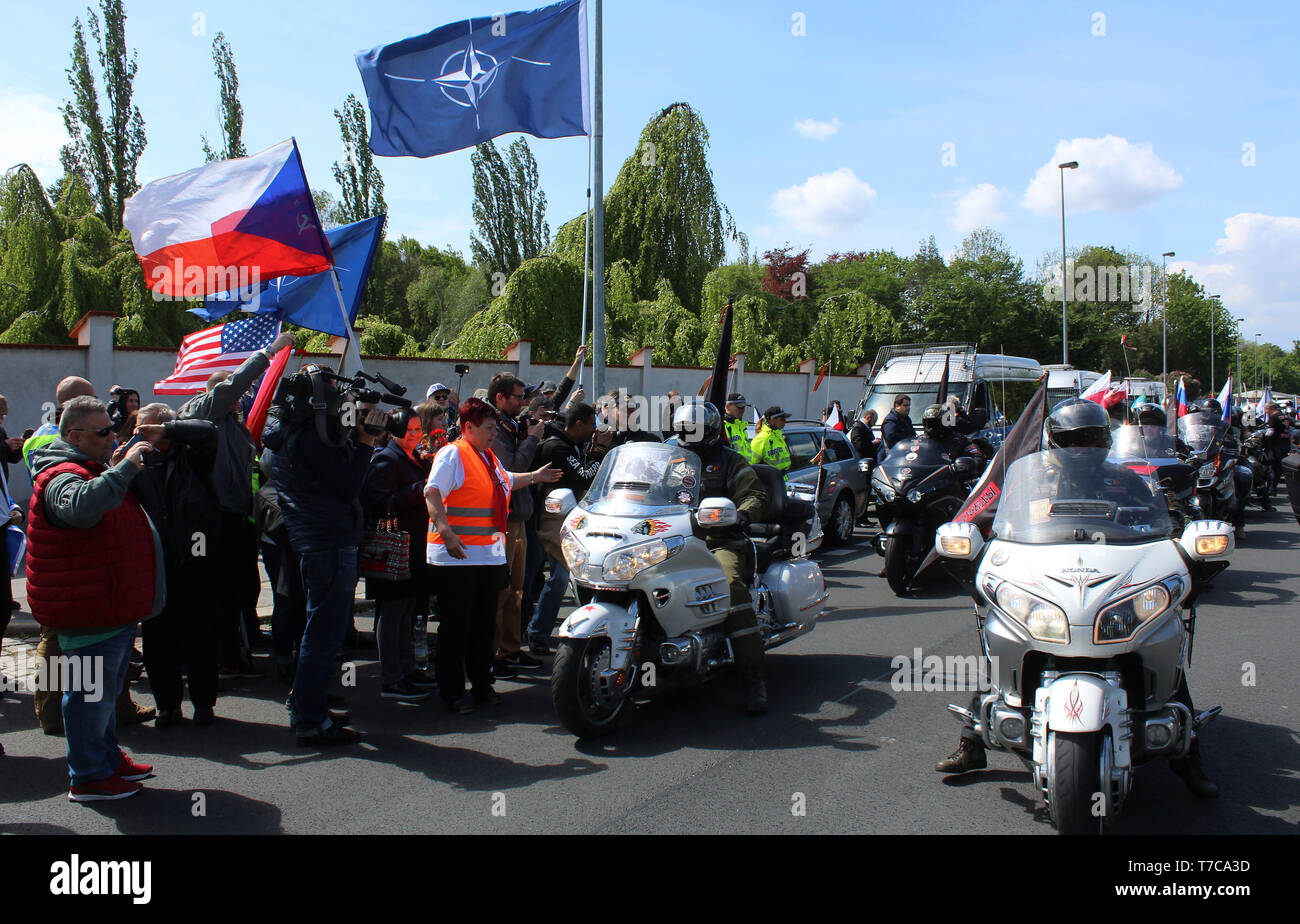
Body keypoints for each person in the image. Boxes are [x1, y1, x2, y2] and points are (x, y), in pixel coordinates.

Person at [935, 399, 1218, 798]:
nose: (1078, 449)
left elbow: (1163, 519)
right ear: (1054, 442)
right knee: (1006, 645)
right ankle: (973, 740)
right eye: (1071, 442)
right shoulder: (1030, 479)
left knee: (1162, 648)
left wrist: (1182, 529)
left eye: (1087, 440)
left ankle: (1189, 757)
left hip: (1116, 572)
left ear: (1103, 442)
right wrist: (973, 540)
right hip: (1048, 572)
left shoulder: (1129, 479)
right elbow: (998, 519)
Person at [26, 396, 159, 801]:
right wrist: (127, 465)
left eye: (111, 428)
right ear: (74, 435)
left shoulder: (86, 465)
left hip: (106, 604)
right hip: (87, 608)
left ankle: (103, 757)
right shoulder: (61, 473)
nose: (111, 436)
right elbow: (81, 509)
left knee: (103, 692)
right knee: (87, 697)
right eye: (102, 432)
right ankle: (87, 777)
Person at [263, 367, 387, 747]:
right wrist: (365, 441)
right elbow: (348, 483)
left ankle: (305, 702)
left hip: (317, 540)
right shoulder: (313, 439)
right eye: (332, 392)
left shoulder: (287, 435)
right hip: (329, 541)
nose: (338, 400)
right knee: (324, 633)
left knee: (318, 629)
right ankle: (310, 719)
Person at [424, 398, 558, 713]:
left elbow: (507, 480)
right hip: (456, 557)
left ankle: (482, 686)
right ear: (467, 427)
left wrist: (535, 476)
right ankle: (453, 692)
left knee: (484, 626)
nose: (494, 434)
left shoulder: (485, 456)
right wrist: (447, 533)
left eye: (494, 428)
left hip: (486, 556)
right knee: (456, 627)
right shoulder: (453, 454)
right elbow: (432, 492)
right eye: (488, 429)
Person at [181, 330, 296, 676]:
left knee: (243, 585)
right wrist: (270, 352)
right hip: (209, 517)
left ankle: (242, 642)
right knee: (217, 590)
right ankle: (221, 655)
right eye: (236, 394)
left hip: (239, 516)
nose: (241, 398)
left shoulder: (237, 425)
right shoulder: (203, 413)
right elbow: (233, 385)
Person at [129, 404, 222, 727]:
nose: (141, 435)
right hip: (155, 562)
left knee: (200, 635)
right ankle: (167, 704)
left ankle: (203, 703)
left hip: (194, 558)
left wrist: (168, 431)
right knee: (158, 638)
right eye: (137, 429)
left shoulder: (190, 454)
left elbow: (209, 432)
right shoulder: (136, 463)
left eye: (148, 429)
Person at [672, 402, 769, 713]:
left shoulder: (732, 462)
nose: (689, 436)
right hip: (674, 540)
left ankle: (753, 677)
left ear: (711, 432)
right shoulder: (671, 461)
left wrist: (741, 515)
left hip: (719, 541)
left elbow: (755, 495)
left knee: (729, 585)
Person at [361, 407, 438, 701]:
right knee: (393, 611)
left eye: (419, 430)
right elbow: (378, 503)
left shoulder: (413, 457)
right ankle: (392, 677)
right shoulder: (385, 459)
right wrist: (419, 489)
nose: (417, 435)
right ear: (396, 431)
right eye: (412, 430)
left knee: (407, 610)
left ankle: (407, 670)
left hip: (414, 545)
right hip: (394, 545)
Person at [528, 402, 610, 654]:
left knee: (549, 577)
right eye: (591, 426)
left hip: (564, 517)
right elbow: (586, 476)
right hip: (548, 518)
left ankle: (534, 630)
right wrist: (600, 449)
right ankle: (537, 633)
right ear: (578, 425)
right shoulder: (557, 448)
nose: (594, 431)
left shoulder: (570, 444)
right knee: (561, 576)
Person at [487, 372, 547, 678]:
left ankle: (510, 650)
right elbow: (511, 469)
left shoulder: (511, 425)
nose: (523, 403)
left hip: (519, 518)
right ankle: (494, 652)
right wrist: (533, 439)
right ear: (500, 398)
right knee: (501, 589)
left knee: (517, 590)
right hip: (503, 520)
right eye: (517, 397)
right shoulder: (493, 429)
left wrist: (526, 435)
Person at [751, 405, 792, 473]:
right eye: (782, 419)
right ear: (773, 420)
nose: (785, 421)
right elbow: (751, 465)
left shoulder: (778, 435)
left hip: (782, 478)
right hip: (770, 480)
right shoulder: (761, 439)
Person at [723, 393, 752, 461]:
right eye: (739, 407)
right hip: (732, 469)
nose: (742, 410)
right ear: (727, 406)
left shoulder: (742, 427)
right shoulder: (722, 427)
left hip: (746, 467)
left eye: (743, 407)